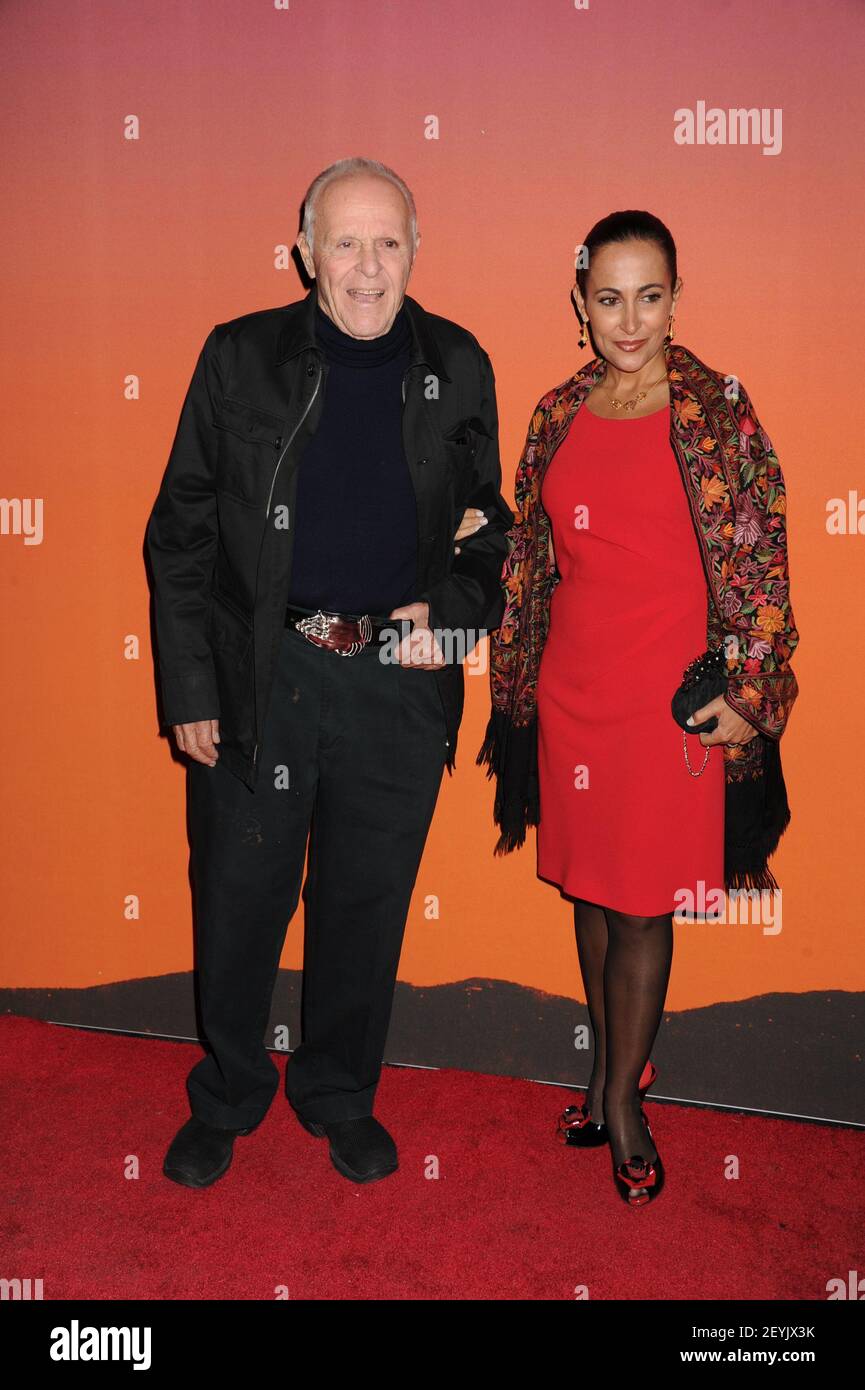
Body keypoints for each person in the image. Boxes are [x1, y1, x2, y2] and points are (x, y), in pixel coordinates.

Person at [145, 156, 513, 1188]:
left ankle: (339, 1091)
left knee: (364, 905)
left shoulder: (460, 363)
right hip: (265, 676)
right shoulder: (238, 358)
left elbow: (492, 535)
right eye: (343, 242)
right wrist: (192, 690)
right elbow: (178, 536)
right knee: (237, 899)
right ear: (303, 249)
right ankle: (227, 1092)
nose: (365, 267)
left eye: (387, 243)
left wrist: (445, 619)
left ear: (415, 251)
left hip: (396, 685)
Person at [477, 211, 799, 1206]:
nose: (629, 318)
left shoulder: (716, 410)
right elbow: (527, 562)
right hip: (573, 696)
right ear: (578, 302)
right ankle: (603, 1072)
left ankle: (622, 1101)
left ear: (675, 297)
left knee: (645, 905)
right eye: (607, 297)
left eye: (649, 295)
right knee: (589, 890)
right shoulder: (555, 412)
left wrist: (752, 695)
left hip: (670, 713)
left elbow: (761, 557)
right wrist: (513, 686)